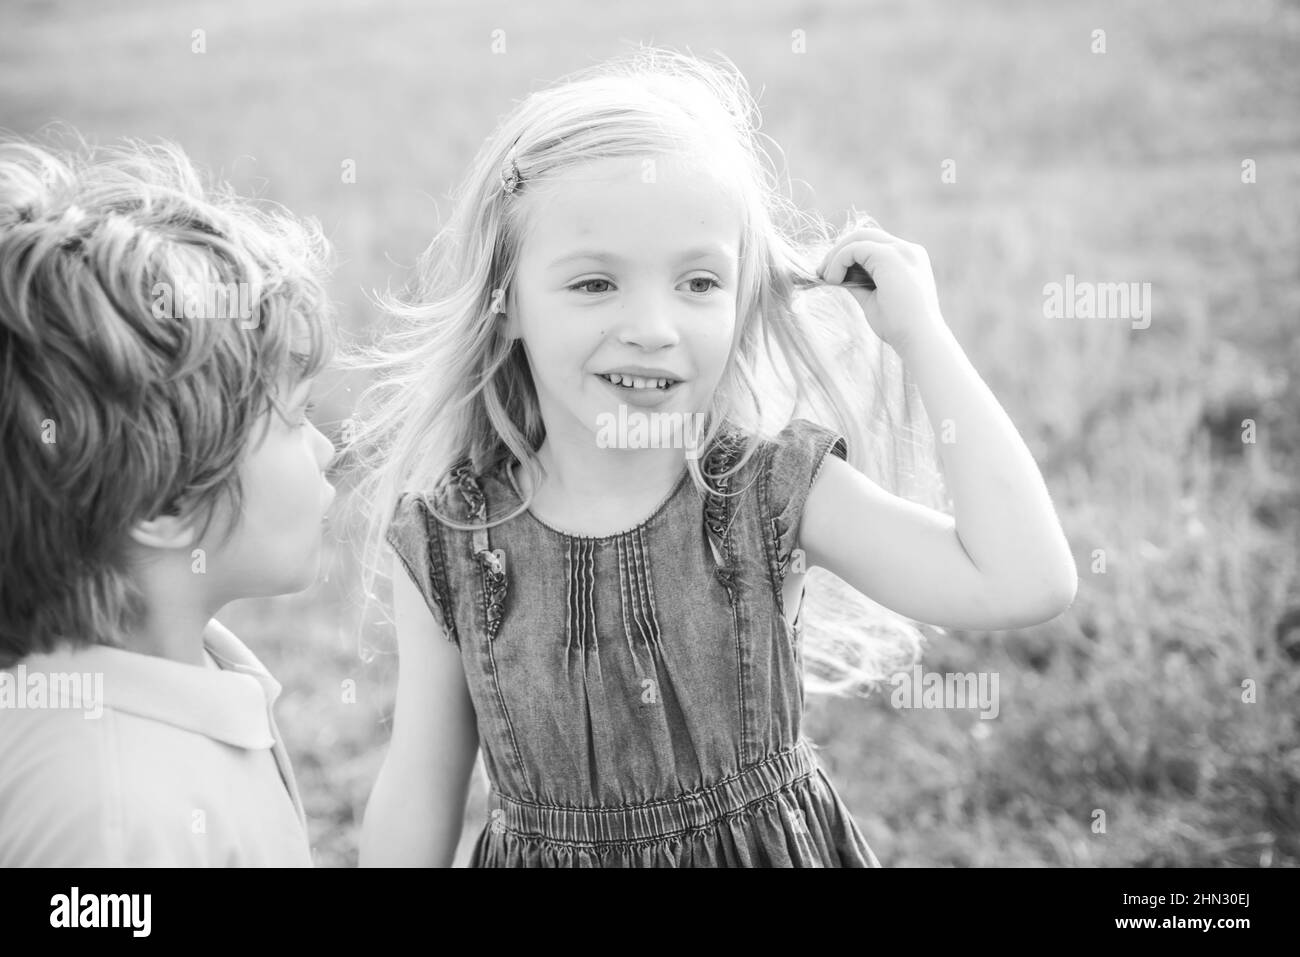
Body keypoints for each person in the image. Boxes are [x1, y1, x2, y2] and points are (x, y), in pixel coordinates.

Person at [351, 48, 1076, 867]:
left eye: (698, 282)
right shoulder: (454, 541)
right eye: (595, 284)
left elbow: (1026, 579)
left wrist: (922, 337)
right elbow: (418, 788)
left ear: (744, 297)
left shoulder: (766, 494)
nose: (655, 326)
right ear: (505, 304)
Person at [0, 134, 337, 866]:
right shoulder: (108, 818)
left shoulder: (194, 668)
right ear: (164, 504)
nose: (326, 449)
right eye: (294, 418)